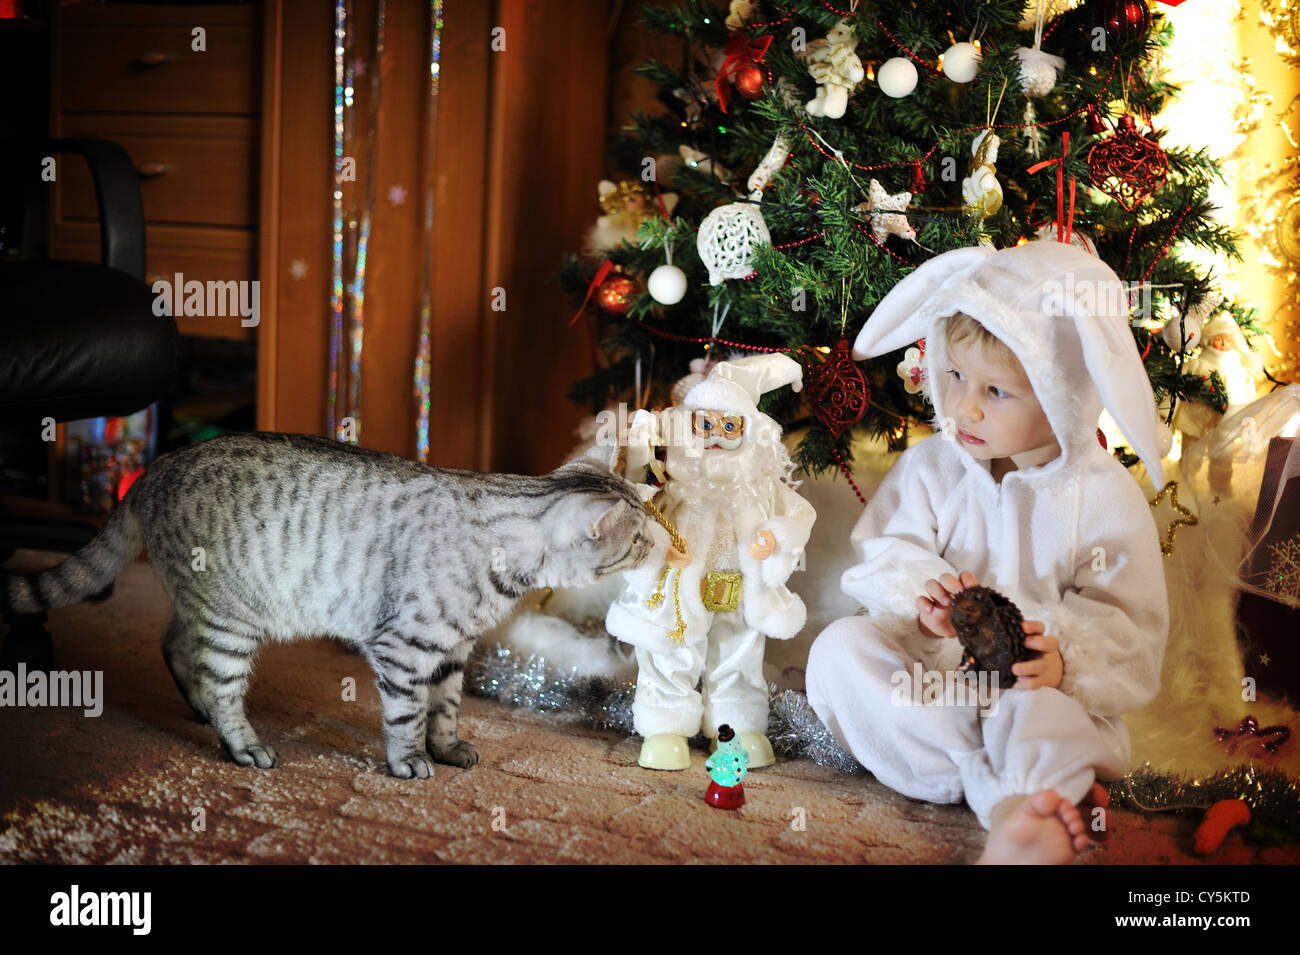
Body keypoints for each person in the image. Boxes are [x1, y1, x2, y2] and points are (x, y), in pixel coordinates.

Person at [806, 240, 1170, 864]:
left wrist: (1066, 662)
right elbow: (886, 547)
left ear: (1066, 392)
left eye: (996, 391)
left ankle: (1025, 806)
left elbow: (1129, 621)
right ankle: (977, 779)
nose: (962, 406)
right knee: (838, 652)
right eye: (953, 375)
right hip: (936, 683)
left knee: (1040, 716)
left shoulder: (1103, 494)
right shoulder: (932, 466)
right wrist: (922, 594)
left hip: (1037, 692)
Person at [607, 354, 816, 771]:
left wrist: (774, 538)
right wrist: (661, 549)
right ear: (688, 427)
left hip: (740, 590)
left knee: (739, 652)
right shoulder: (673, 483)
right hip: (681, 593)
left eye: (730, 426)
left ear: (748, 430)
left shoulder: (759, 488)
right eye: (704, 425)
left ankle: (736, 725)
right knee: (673, 652)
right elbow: (640, 517)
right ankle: (664, 726)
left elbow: (798, 515)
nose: (716, 435)